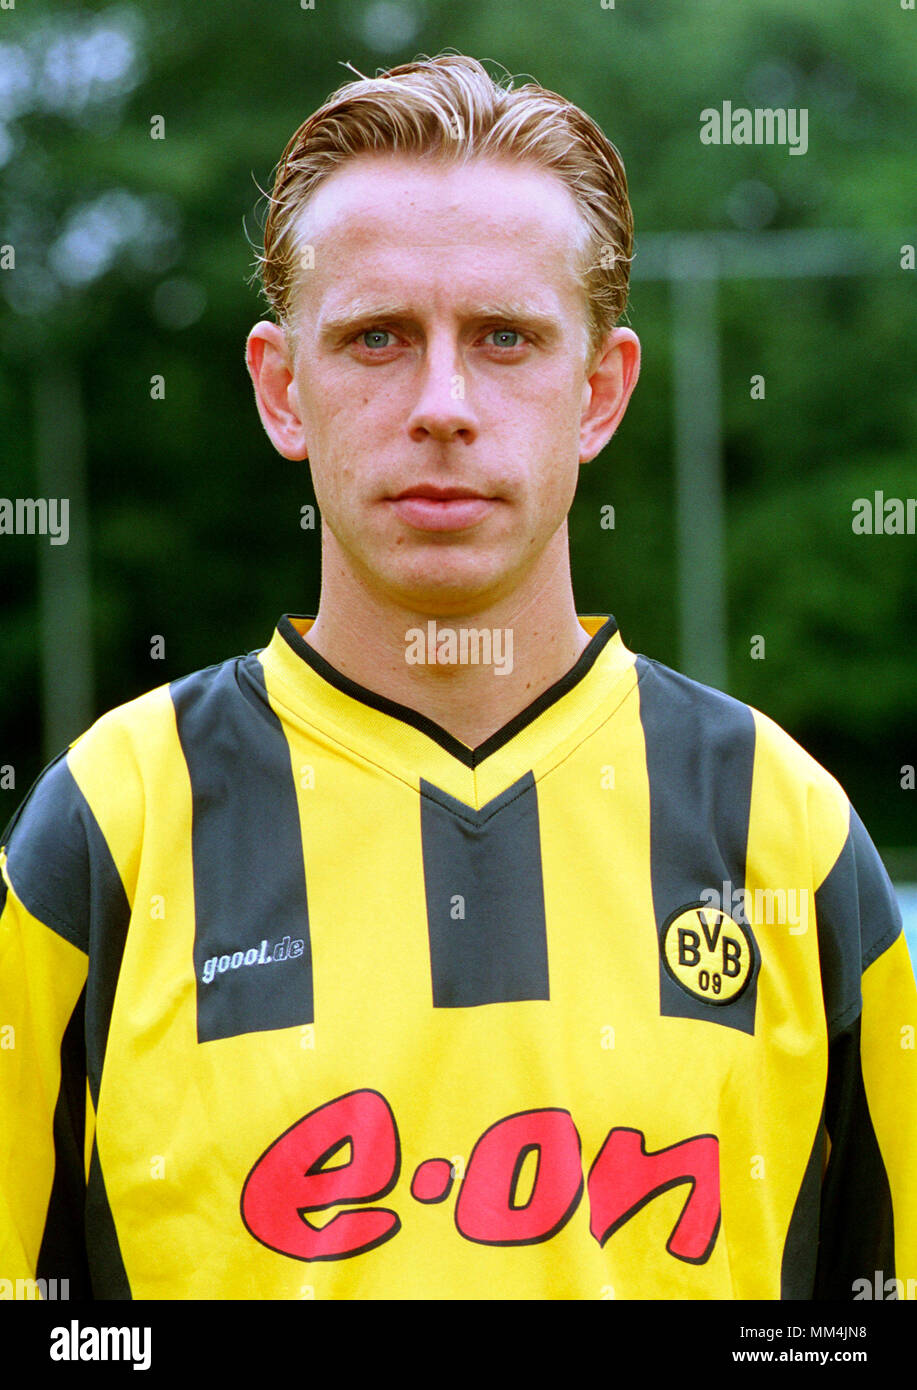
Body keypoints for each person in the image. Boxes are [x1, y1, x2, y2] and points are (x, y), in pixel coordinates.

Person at [1, 53, 914, 1302]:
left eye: (505, 338)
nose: (442, 403)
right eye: (376, 336)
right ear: (282, 390)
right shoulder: (111, 825)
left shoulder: (781, 830)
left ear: (597, 391)